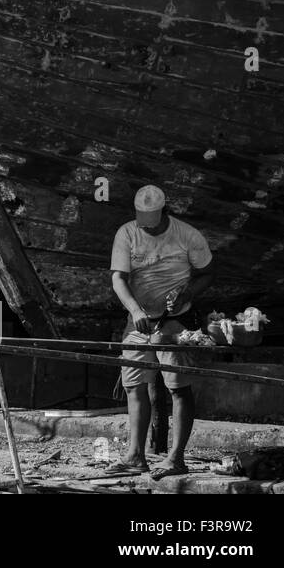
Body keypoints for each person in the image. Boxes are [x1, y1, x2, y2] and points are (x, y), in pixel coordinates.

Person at [109, 185, 214, 478]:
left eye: (150, 218)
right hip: (138, 321)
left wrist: (187, 292)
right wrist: (135, 310)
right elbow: (118, 278)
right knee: (133, 386)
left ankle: (176, 458)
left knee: (178, 388)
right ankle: (134, 456)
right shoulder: (126, 233)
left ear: (164, 212)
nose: (144, 224)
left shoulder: (187, 235)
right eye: (140, 217)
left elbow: (208, 272)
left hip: (174, 321)